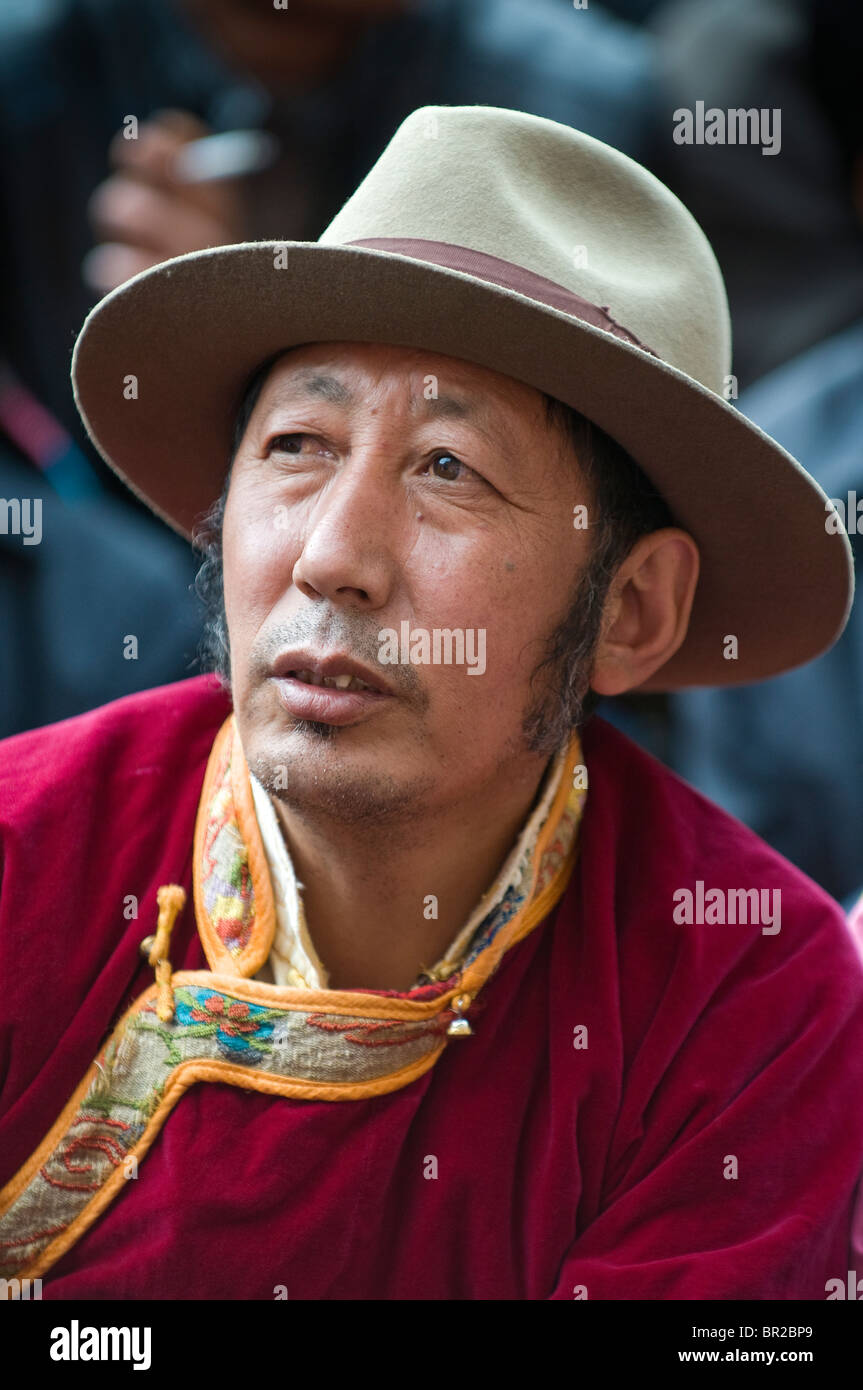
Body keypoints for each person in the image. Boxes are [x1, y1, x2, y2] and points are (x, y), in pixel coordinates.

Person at [1, 105, 862, 1301]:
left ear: (629, 610)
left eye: (447, 469)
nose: (330, 556)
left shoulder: (745, 992)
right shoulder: (20, 855)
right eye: (299, 442)